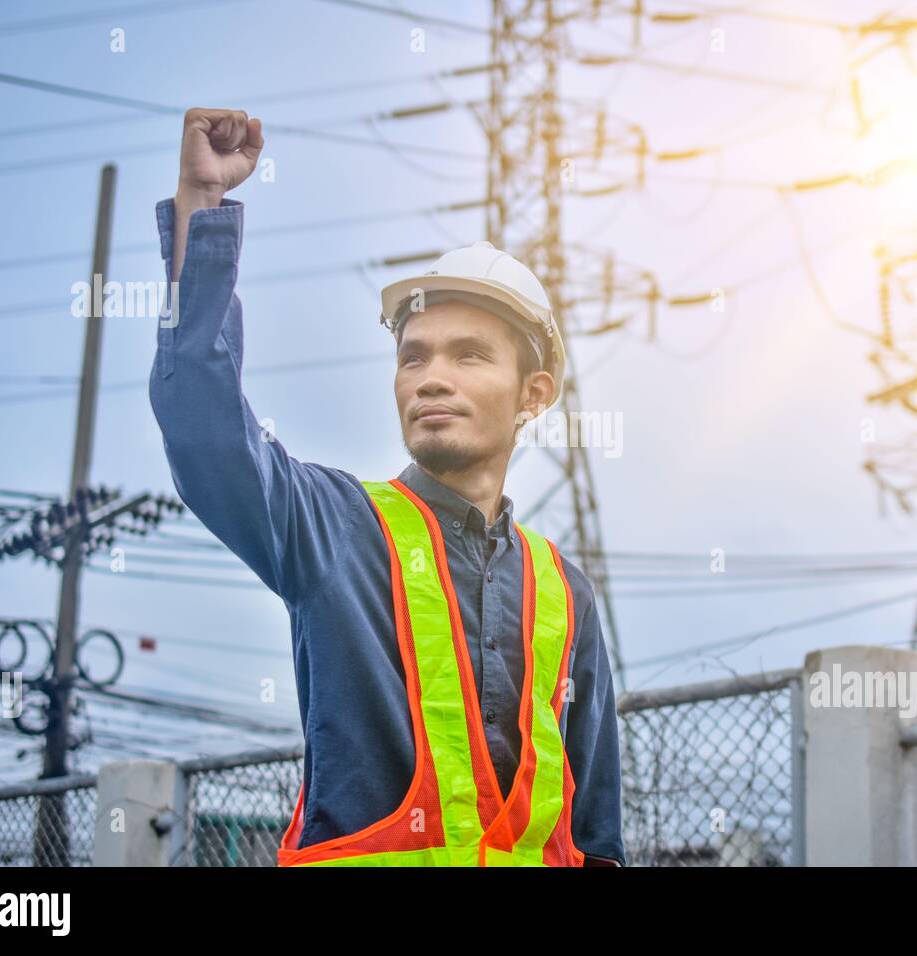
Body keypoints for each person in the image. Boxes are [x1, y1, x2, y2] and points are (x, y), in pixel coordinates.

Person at [149, 108, 625, 866]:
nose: (432, 377)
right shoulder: (330, 528)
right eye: (414, 357)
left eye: (469, 356)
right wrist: (200, 211)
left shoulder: (568, 595)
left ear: (533, 394)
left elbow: (596, 832)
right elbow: (204, 432)